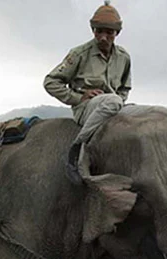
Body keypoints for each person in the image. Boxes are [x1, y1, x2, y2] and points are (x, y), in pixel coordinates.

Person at [43, 1, 131, 181]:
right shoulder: (79, 54)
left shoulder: (123, 57)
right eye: (99, 31)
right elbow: (50, 81)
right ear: (93, 31)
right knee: (113, 101)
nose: (104, 37)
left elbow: (124, 87)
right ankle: (77, 147)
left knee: (157, 113)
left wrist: (120, 101)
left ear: (117, 33)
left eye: (109, 32)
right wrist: (78, 97)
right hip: (87, 108)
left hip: (114, 107)